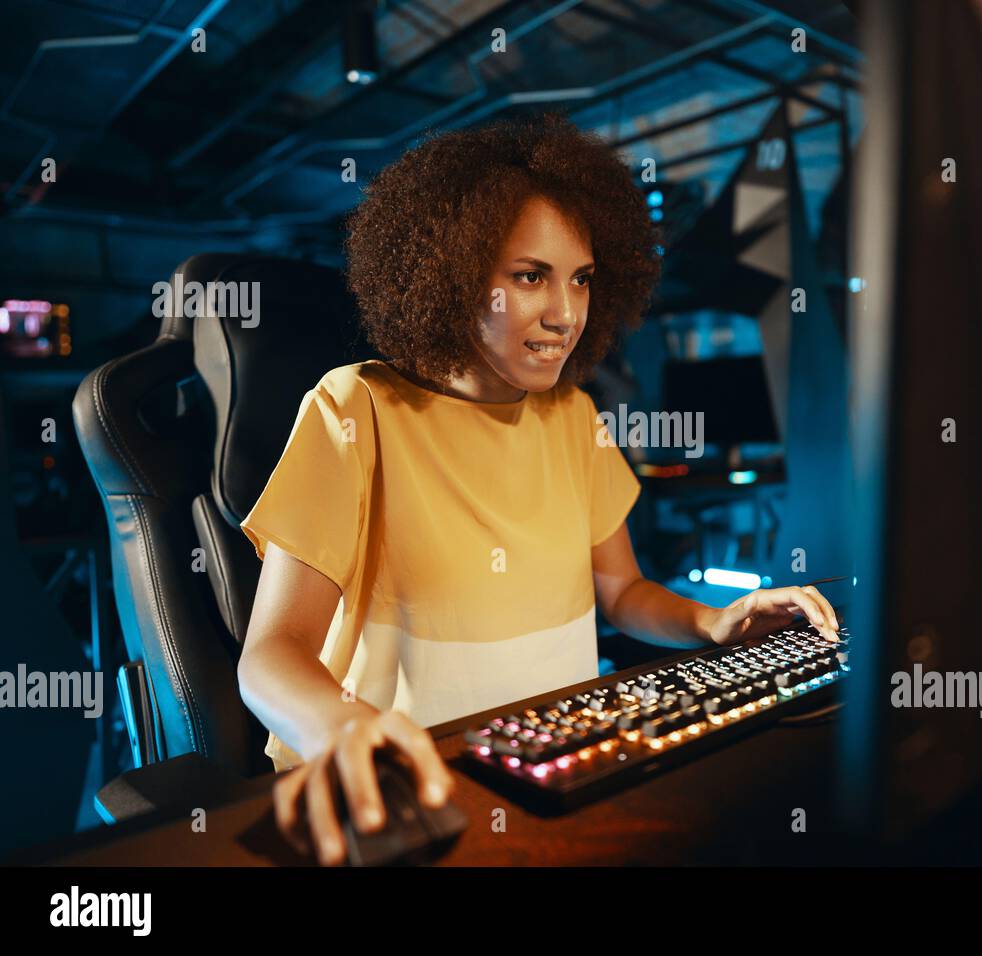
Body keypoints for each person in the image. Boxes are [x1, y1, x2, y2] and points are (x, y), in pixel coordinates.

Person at [236, 112, 840, 865]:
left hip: (552, 770)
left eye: (582, 279)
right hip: (403, 799)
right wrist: (342, 725)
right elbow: (271, 655)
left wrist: (714, 622)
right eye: (530, 277)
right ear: (452, 278)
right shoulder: (355, 409)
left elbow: (621, 594)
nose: (565, 314)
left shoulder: (572, 415)